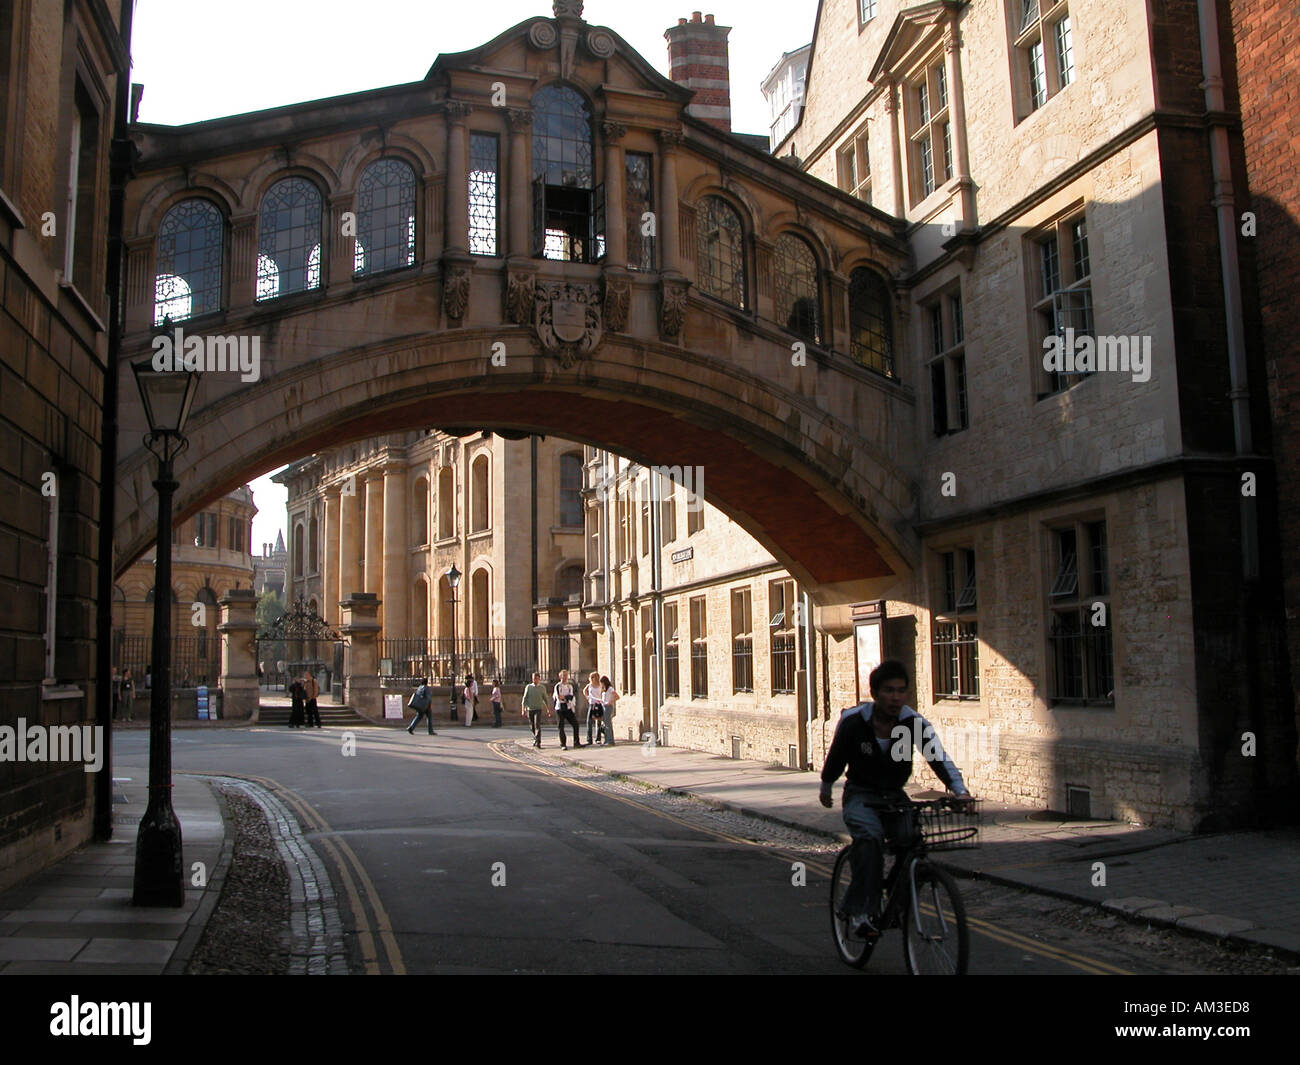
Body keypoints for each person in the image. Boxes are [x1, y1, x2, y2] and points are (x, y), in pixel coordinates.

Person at [818, 659, 974, 940]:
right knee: (870, 838)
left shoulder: (911, 723)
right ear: (875, 693)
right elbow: (837, 757)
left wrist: (959, 790)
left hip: (894, 795)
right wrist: (826, 787)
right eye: (889, 690)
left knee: (910, 841)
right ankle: (860, 912)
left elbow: (937, 757)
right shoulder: (855, 722)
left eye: (901, 691)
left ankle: (896, 903)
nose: (896, 697)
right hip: (861, 794)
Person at [553, 669, 582, 749]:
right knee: (561, 726)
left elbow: (571, 696)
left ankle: (576, 743)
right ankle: (563, 744)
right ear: (560, 677)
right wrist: (566, 698)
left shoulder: (570, 686)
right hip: (560, 708)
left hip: (568, 707)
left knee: (575, 724)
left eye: (566, 675)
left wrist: (565, 698)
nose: (565, 677)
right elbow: (559, 697)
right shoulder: (558, 686)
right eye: (564, 675)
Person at [521, 672, 548, 748]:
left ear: (539, 679)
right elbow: (525, 698)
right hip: (530, 709)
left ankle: (538, 741)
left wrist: (548, 708)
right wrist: (523, 709)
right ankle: (535, 738)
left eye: (536, 678)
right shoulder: (528, 687)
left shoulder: (542, 688)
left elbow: (545, 698)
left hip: (538, 708)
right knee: (532, 725)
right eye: (533, 678)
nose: (534, 680)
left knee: (537, 725)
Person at [583, 671, 604, 745]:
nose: (592, 679)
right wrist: (587, 697)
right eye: (591, 677)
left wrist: (602, 699)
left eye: (593, 677)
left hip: (599, 704)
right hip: (592, 704)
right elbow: (584, 691)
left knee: (599, 721)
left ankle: (598, 739)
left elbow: (603, 692)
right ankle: (589, 739)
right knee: (589, 721)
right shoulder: (590, 685)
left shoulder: (600, 685)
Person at [599, 675, 619, 746]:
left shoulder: (610, 688)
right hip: (603, 706)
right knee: (605, 724)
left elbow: (617, 696)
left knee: (608, 724)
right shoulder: (604, 689)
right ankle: (606, 739)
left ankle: (610, 740)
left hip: (608, 707)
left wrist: (609, 702)